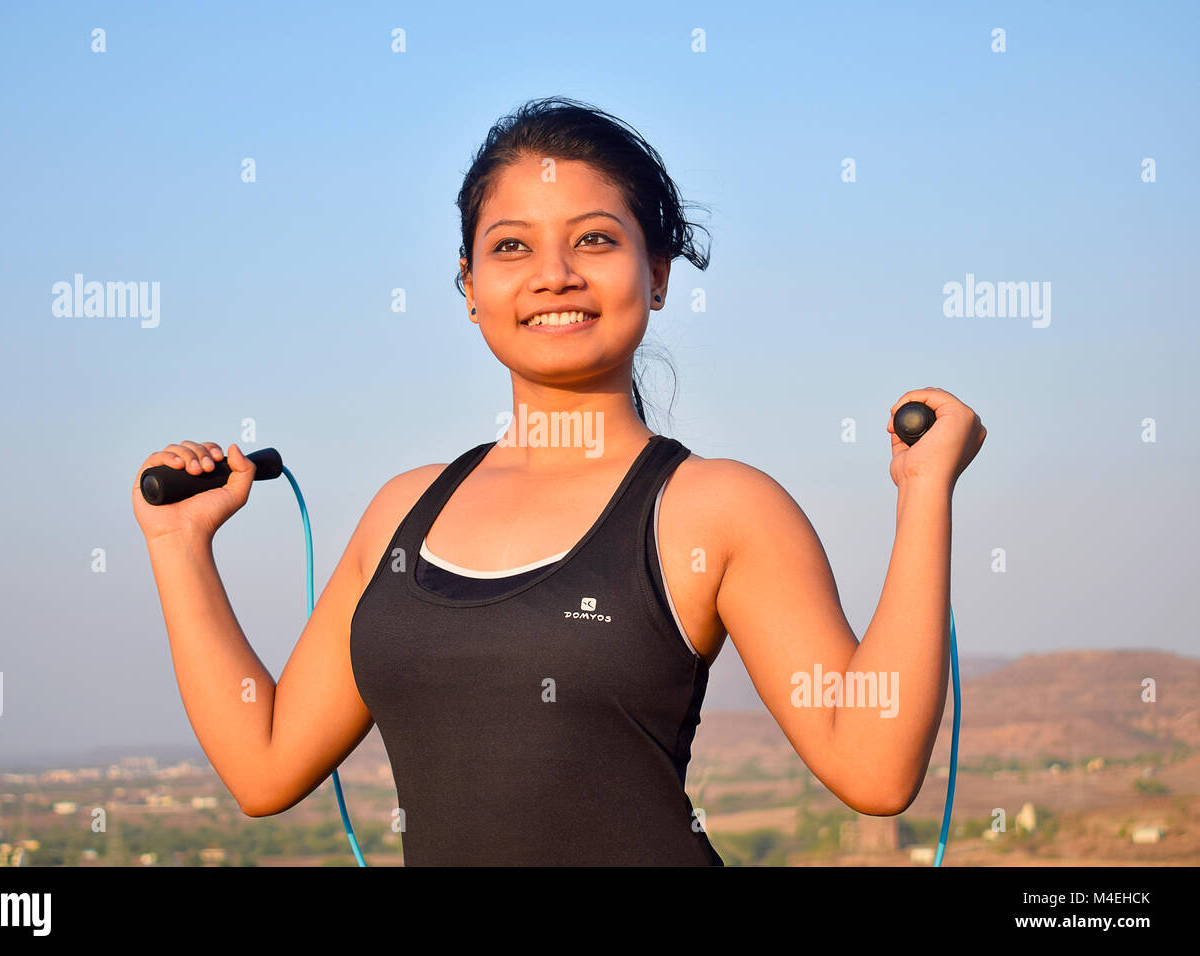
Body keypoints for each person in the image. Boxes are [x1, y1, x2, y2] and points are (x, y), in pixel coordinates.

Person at [131, 95, 987, 866]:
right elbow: (265, 764)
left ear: (656, 274)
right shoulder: (402, 511)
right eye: (511, 247)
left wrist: (923, 493)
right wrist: (177, 545)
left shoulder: (715, 509)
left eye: (595, 240)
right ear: (469, 289)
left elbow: (873, 768)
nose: (555, 274)